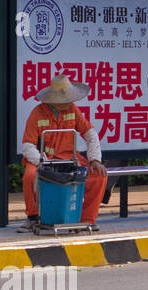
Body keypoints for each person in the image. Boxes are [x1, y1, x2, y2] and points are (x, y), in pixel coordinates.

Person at [18, 75, 109, 233]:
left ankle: (87, 220)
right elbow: (28, 145)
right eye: (66, 99)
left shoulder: (73, 109)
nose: (70, 101)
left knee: (99, 175)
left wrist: (95, 159)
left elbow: (90, 133)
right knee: (30, 176)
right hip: (44, 158)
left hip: (70, 158)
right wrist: (41, 161)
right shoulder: (37, 113)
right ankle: (32, 218)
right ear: (53, 100)